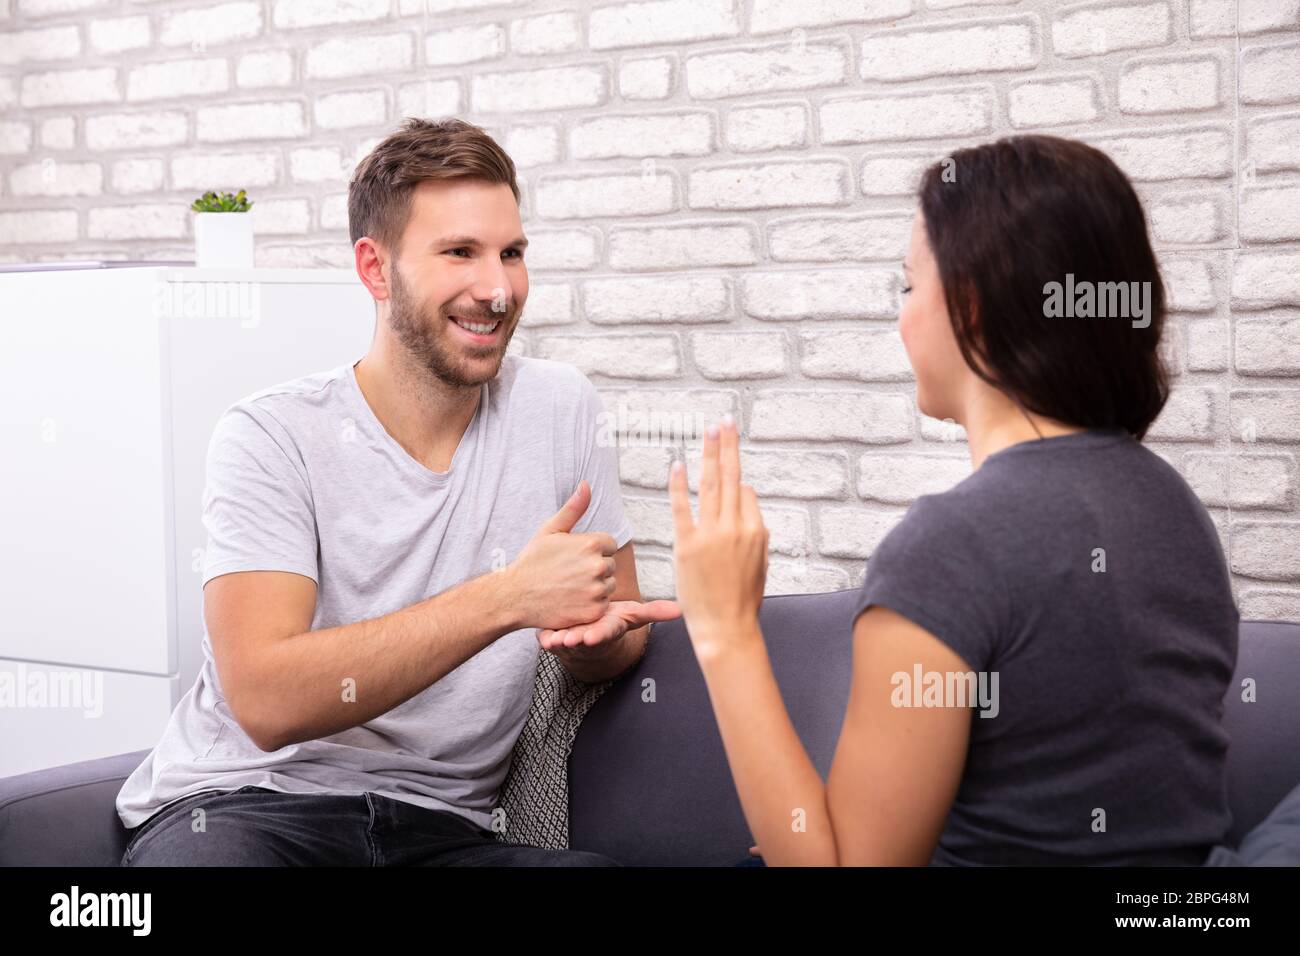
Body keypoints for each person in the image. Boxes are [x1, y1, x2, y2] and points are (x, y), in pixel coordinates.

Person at [116, 118, 680, 866]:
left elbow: (619, 628)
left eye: (511, 254)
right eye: (460, 253)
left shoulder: (561, 408)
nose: (498, 289)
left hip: (446, 830)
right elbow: (266, 701)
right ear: (376, 270)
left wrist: (596, 643)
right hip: (250, 811)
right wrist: (507, 597)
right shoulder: (272, 435)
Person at [671, 134, 1239, 866]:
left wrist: (725, 629)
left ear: (968, 308)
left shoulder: (953, 545)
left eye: (909, 286)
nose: (901, 316)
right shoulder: (1173, 506)